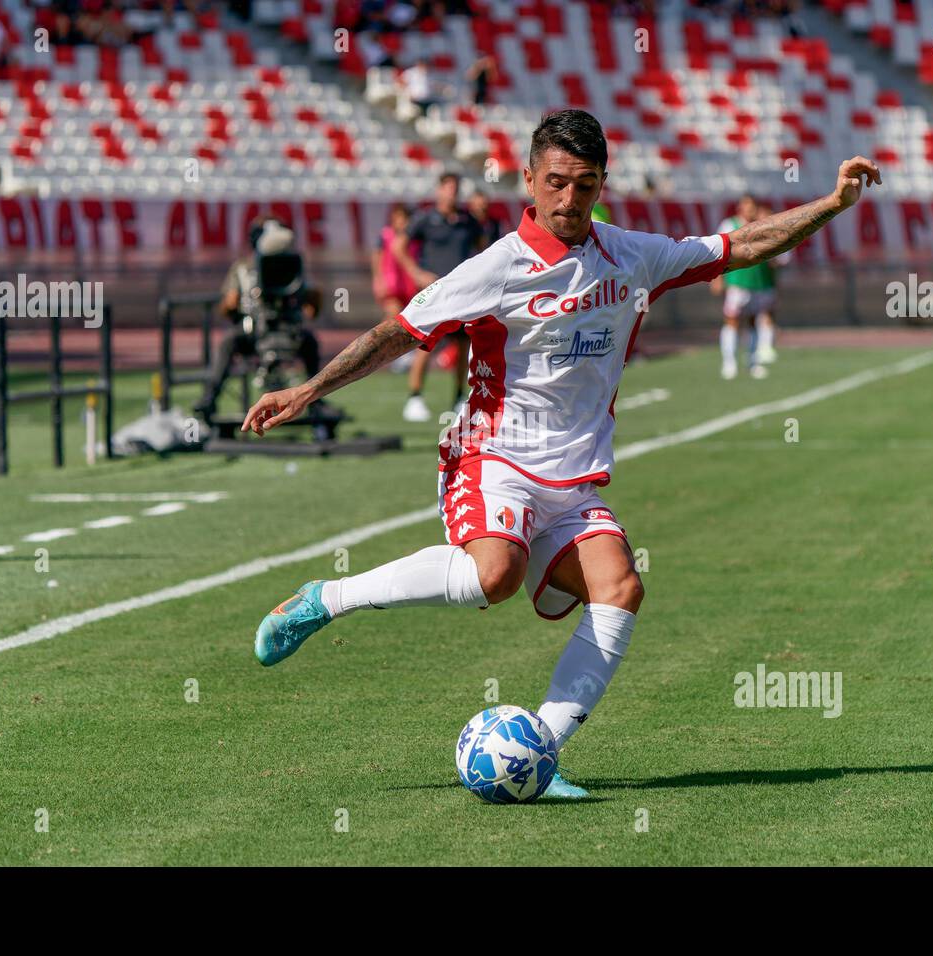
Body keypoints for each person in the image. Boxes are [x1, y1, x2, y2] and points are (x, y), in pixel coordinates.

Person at [240, 109, 880, 799]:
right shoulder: (497, 267)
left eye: (584, 185)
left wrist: (834, 202)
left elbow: (740, 246)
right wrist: (309, 389)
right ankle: (325, 598)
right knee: (496, 575)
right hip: (491, 455)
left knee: (621, 587)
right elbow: (398, 332)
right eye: (556, 183)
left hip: (572, 482)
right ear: (529, 180)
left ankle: (536, 755)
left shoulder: (633, 256)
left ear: (602, 184)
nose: (569, 200)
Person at [194, 218, 321, 420]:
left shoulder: (292, 265)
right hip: (257, 331)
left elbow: (312, 303)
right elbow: (313, 307)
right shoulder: (245, 267)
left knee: (309, 342)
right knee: (229, 342)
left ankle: (317, 402)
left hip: (284, 330)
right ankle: (209, 398)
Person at [390, 171, 481, 422]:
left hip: (463, 293)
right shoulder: (425, 219)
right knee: (424, 344)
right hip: (434, 293)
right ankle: (415, 397)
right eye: (449, 188)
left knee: (463, 346)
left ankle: (459, 397)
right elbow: (398, 246)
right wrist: (416, 272)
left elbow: (484, 248)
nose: (453, 193)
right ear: (440, 190)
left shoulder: (468, 221)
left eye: (456, 188)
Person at [712, 194, 785, 379]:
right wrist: (718, 278)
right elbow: (719, 253)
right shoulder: (730, 225)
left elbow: (779, 258)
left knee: (753, 322)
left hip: (759, 282)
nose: (749, 209)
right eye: (746, 205)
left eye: (752, 205)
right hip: (738, 282)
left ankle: (752, 361)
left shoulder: (763, 227)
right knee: (732, 321)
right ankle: (729, 363)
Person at [370, 202, 418, 325]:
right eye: (397, 218)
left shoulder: (412, 238)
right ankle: (378, 341)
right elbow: (377, 256)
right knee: (393, 312)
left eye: (403, 218)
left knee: (407, 319)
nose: (400, 222)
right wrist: (378, 279)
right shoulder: (386, 235)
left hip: (409, 286)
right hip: (390, 284)